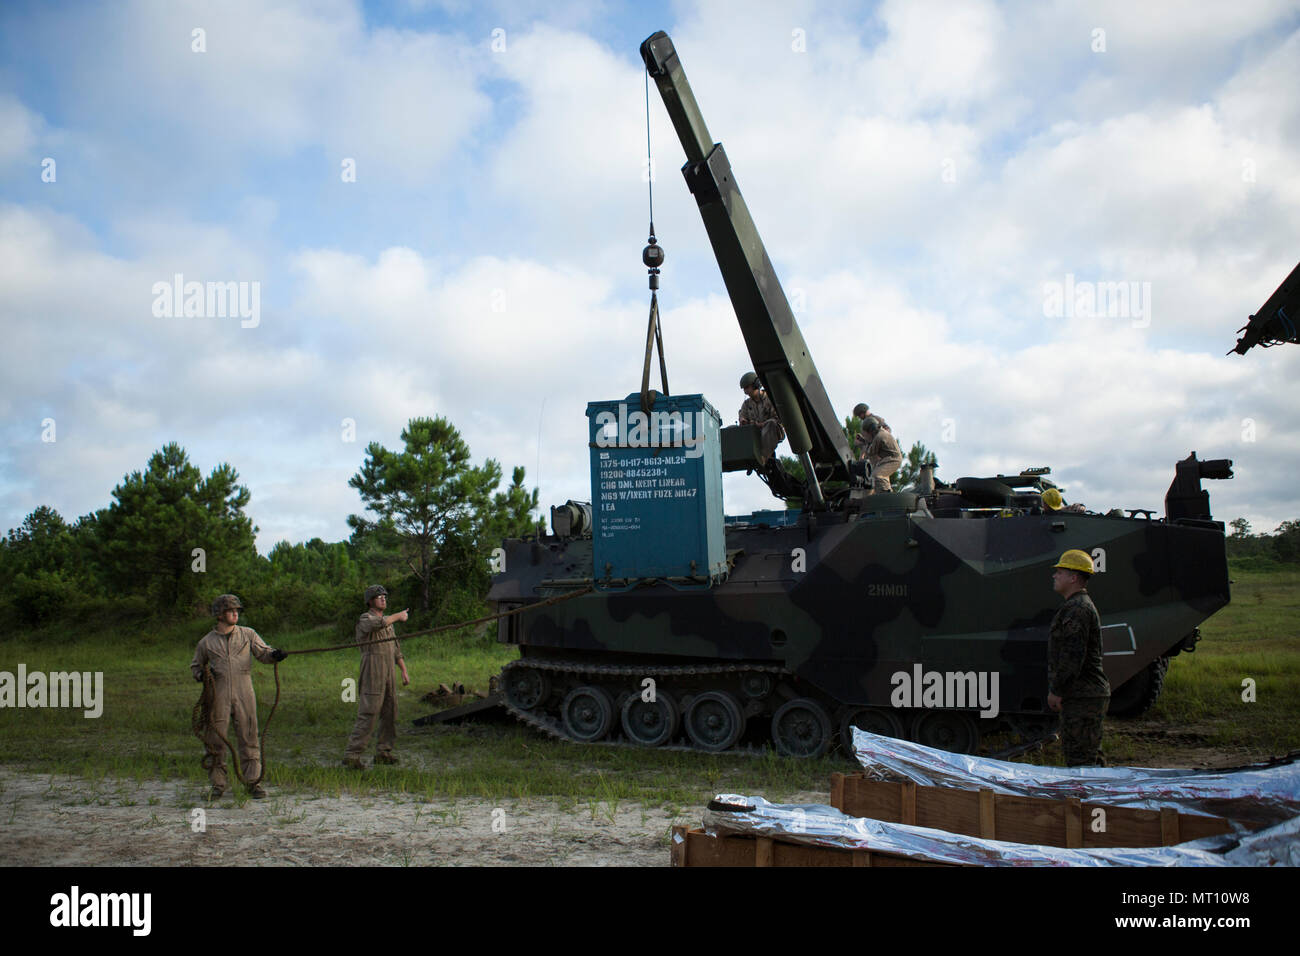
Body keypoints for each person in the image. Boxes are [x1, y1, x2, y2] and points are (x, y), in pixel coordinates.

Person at [191, 594, 287, 799]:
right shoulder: (206, 642)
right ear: (219, 614)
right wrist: (201, 675)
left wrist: (275, 655)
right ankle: (218, 784)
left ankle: (253, 783)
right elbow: (196, 665)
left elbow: (264, 653)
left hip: (245, 690)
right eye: (230, 610)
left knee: (249, 734)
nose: (235, 613)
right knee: (215, 738)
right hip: (218, 693)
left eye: (237, 610)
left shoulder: (248, 634)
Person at [1046, 550, 1111, 766]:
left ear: (1073, 577)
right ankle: (1095, 798)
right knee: (1089, 757)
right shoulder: (1076, 606)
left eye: (1060, 572)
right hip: (1084, 694)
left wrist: (1057, 690)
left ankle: (1085, 800)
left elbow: (1072, 656)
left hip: (1083, 695)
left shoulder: (1077, 609)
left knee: (1081, 761)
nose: (1055, 576)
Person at [343, 585, 411, 769]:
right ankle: (352, 755)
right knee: (369, 711)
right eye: (378, 597)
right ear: (370, 601)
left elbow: (396, 650)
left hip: (389, 669)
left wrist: (403, 671)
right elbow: (377, 624)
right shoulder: (366, 619)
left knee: (390, 711)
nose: (383, 599)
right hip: (373, 668)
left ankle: (384, 751)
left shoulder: (389, 623)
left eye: (384, 597)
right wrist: (399, 615)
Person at [738, 371, 785, 465]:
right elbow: (742, 415)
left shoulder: (770, 398)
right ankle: (745, 458)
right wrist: (743, 420)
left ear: (756, 384)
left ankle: (762, 458)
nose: (745, 391)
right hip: (756, 434)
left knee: (771, 423)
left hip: (773, 430)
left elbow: (777, 419)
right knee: (732, 429)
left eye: (747, 387)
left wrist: (760, 424)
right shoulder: (747, 404)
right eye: (744, 389)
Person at [861, 415, 902, 492]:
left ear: (870, 430)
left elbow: (871, 452)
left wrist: (863, 443)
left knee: (877, 475)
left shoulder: (879, 437)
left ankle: (886, 495)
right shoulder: (881, 432)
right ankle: (886, 492)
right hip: (889, 459)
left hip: (893, 460)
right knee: (882, 477)